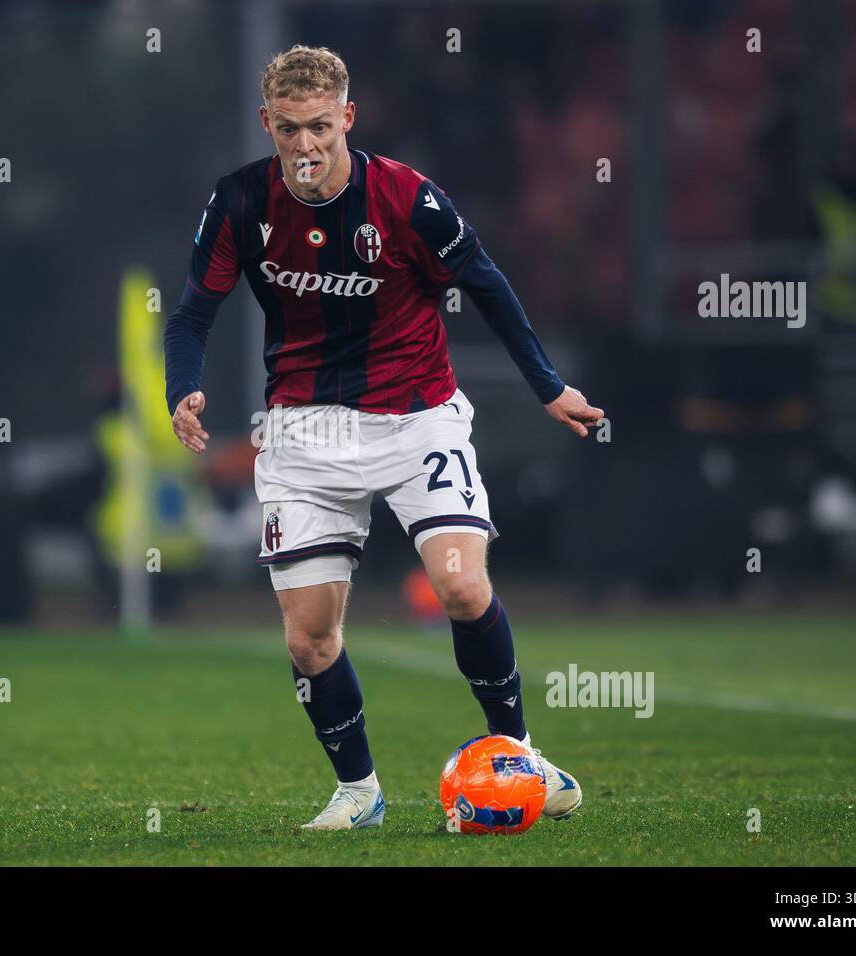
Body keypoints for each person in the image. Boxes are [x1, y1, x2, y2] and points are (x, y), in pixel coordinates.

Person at [164, 46, 604, 830]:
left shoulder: (406, 198)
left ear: (348, 119)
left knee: (463, 587)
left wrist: (549, 387)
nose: (306, 146)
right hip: (302, 430)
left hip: (416, 416)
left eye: (322, 129)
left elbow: (489, 285)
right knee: (309, 641)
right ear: (268, 123)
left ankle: (519, 756)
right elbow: (194, 312)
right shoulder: (238, 202)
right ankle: (359, 792)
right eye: (291, 129)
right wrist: (182, 387)